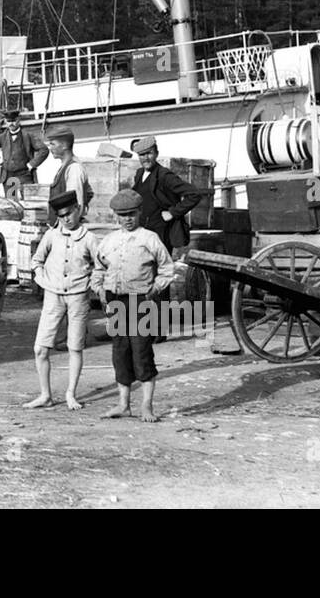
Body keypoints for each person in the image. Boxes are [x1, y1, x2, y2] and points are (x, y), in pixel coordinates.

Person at [92, 188, 176, 423]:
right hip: (116, 301)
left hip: (141, 301)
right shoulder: (108, 241)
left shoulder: (149, 239)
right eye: (122, 215)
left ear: (140, 212)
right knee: (121, 351)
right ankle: (123, 405)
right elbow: (98, 268)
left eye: (131, 214)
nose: (127, 219)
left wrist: (154, 289)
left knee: (141, 352)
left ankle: (147, 407)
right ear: (115, 216)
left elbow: (167, 269)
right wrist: (99, 288)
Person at [23, 190, 102, 411]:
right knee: (40, 348)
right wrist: (41, 279)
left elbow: (100, 266)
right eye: (61, 215)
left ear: (78, 210)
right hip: (53, 296)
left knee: (75, 347)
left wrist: (91, 284)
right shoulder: (51, 236)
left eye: (69, 213)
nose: (66, 219)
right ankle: (45, 395)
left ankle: (70, 394)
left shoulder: (89, 238)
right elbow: (36, 260)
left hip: (78, 297)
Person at [131, 136, 203, 260]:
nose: (146, 158)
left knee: (160, 268)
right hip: (142, 230)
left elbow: (194, 194)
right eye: (142, 155)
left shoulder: (164, 175)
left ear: (156, 154)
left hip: (160, 233)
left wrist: (173, 212)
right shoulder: (139, 174)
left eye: (149, 153)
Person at [0, 110, 47, 192]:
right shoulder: (2, 137)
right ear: (5, 121)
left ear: (19, 120)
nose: (11, 123)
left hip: (25, 176)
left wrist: (32, 164)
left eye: (14, 121)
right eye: (9, 121)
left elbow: (44, 150)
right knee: (11, 202)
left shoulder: (28, 135)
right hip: (8, 176)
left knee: (28, 201)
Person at [43, 126, 92, 226]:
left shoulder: (74, 169)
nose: (50, 148)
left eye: (53, 144)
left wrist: (66, 229)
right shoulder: (64, 167)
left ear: (64, 145)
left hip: (67, 229)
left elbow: (76, 204)